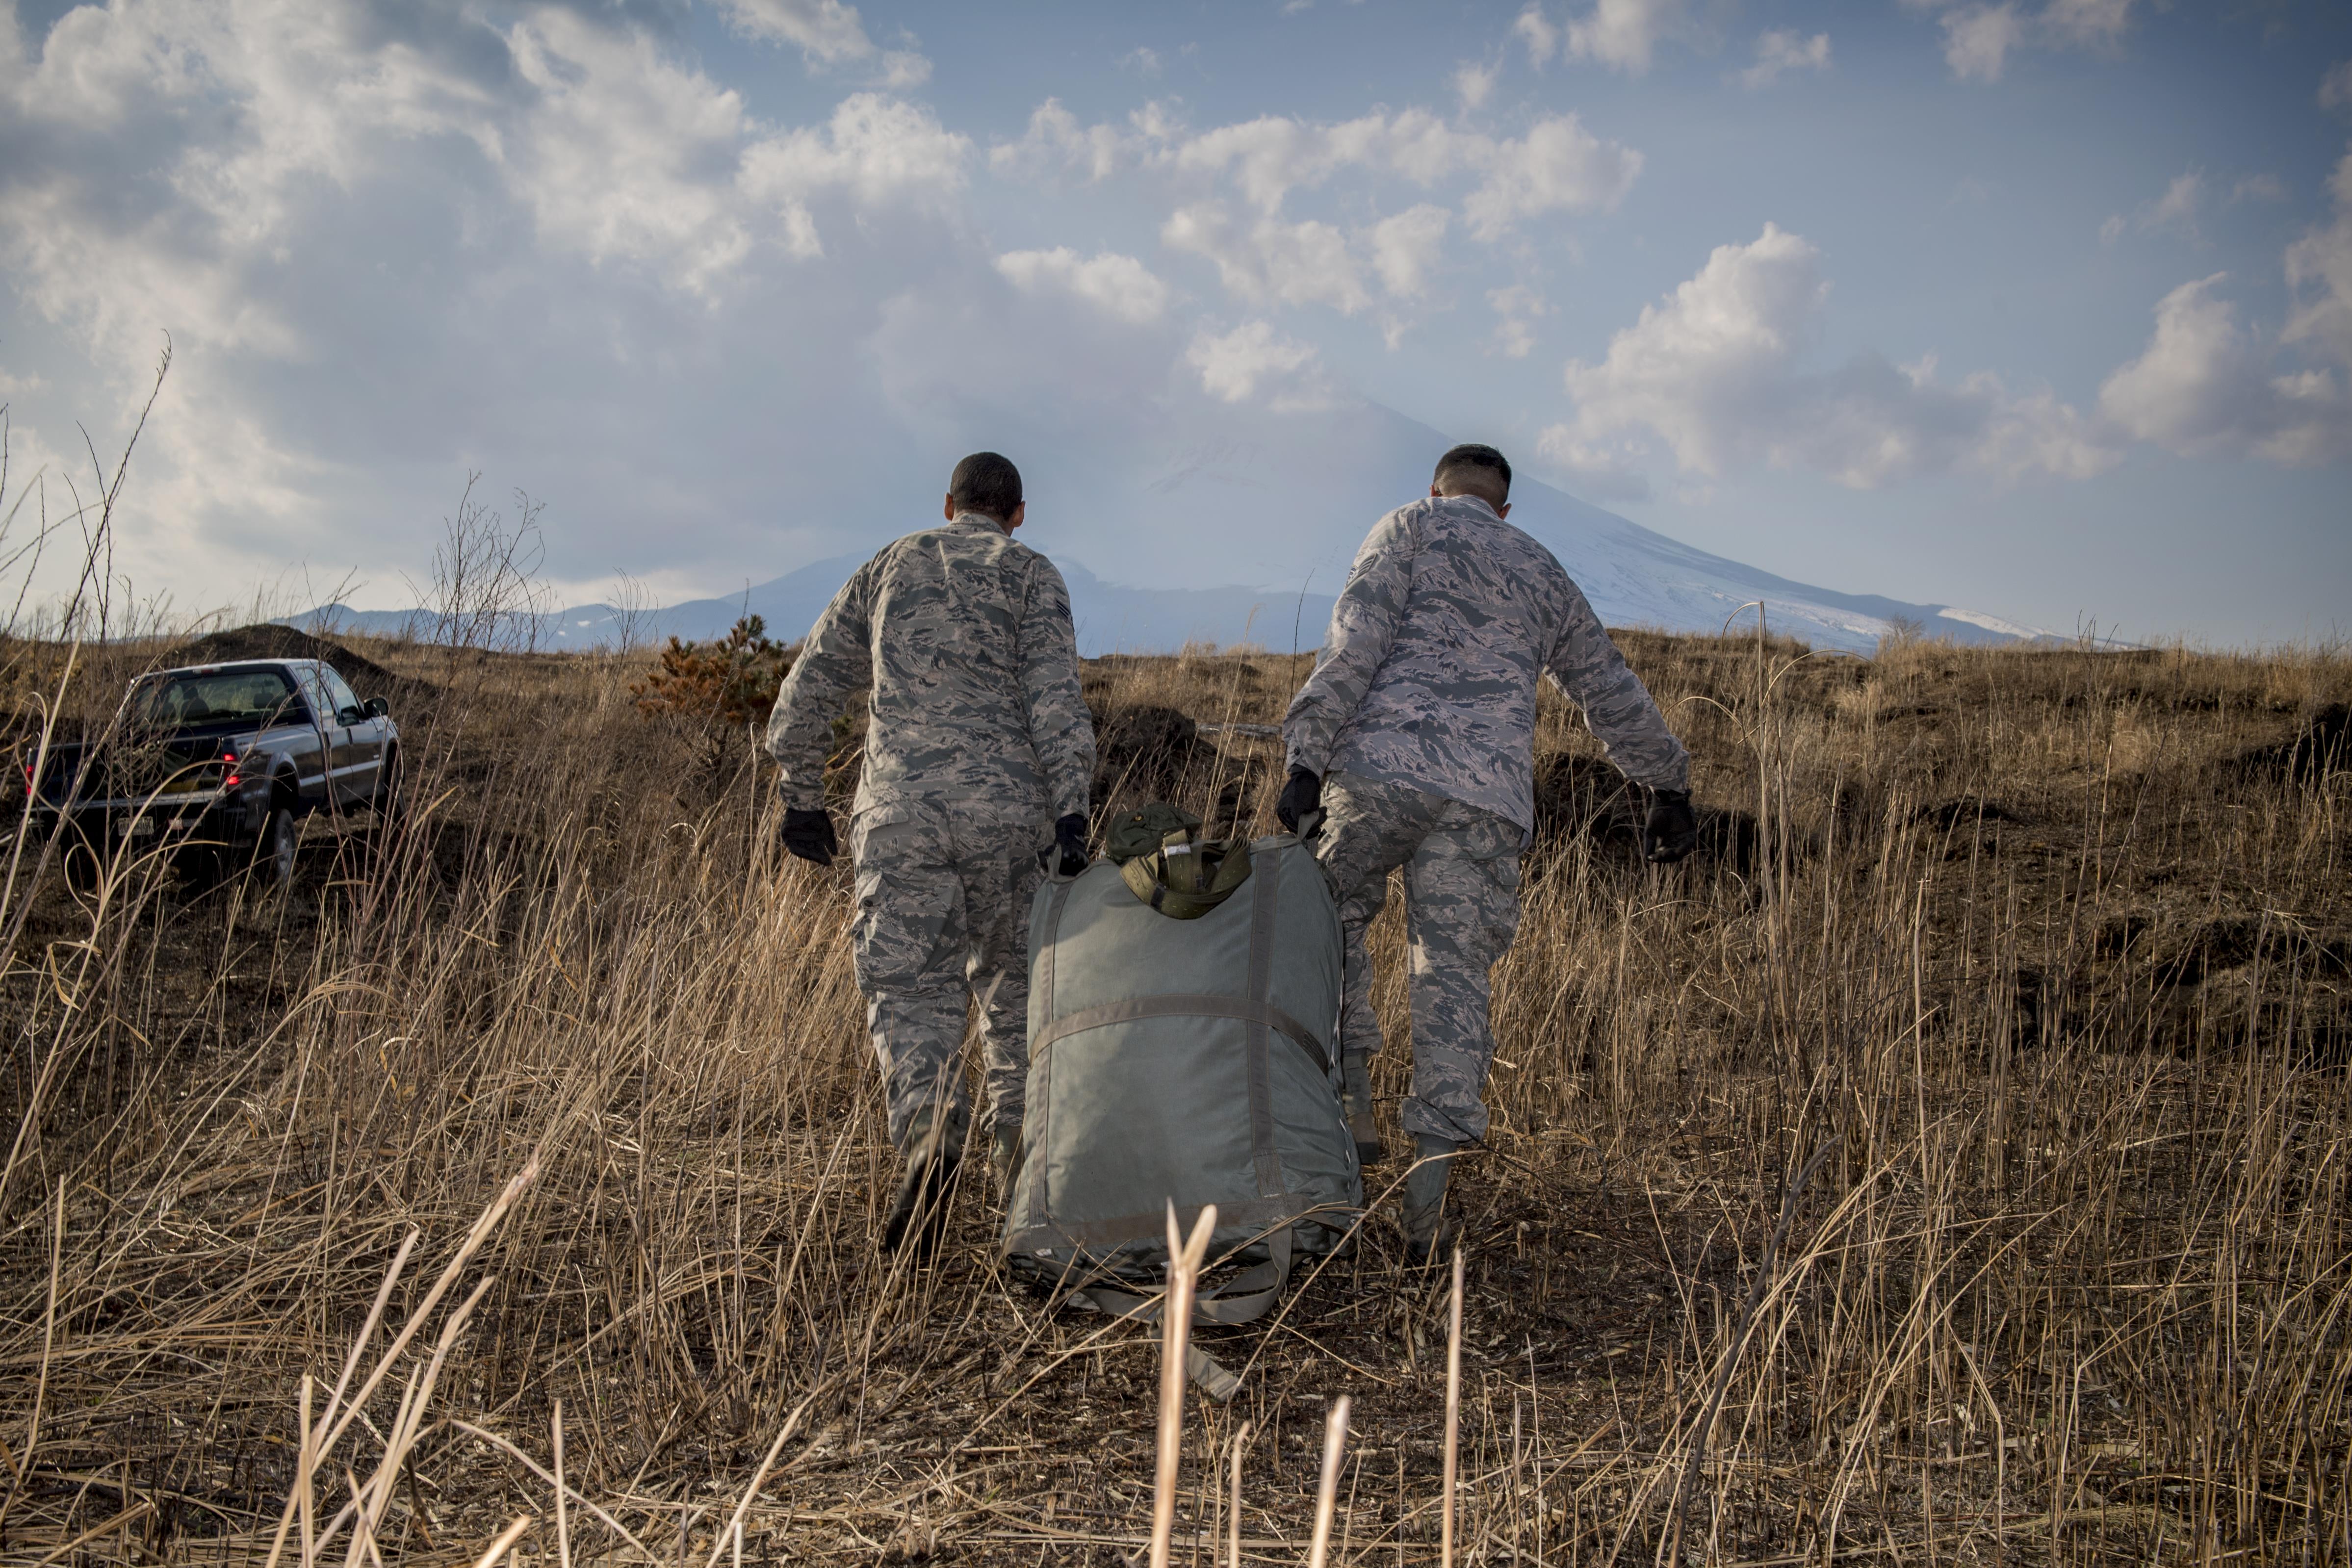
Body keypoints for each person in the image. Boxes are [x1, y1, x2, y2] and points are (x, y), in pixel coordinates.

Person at [1276, 443, 1696, 1263]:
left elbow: (1352, 645)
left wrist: (1305, 757)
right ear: (1504, 510)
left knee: (1330, 928)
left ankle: (1351, 1122)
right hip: (1485, 799)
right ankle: (1425, 1216)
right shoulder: (1538, 565)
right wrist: (1668, 782)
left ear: (1435, 489)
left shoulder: (1407, 527)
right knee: (1453, 977)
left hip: (1378, 773)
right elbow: (1606, 684)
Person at [766, 452, 1096, 1260]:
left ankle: (928, 1140)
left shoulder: (893, 563)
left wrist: (800, 789)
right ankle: (1021, 1194)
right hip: (1010, 817)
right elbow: (1057, 699)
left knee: (909, 989)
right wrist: (1072, 811)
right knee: (1015, 993)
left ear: (948, 504)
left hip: (902, 812)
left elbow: (811, 681)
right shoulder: (1034, 576)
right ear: (1018, 513)